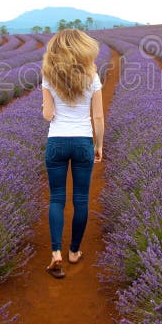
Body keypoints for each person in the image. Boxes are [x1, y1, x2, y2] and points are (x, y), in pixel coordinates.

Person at [40, 28, 104, 279]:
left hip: (56, 141)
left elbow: (48, 115)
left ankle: (55, 252)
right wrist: (98, 145)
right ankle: (74, 251)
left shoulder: (48, 75)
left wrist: (48, 107)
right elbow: (97, 117)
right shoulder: (92, 76)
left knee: (56, 198)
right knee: (81, 200)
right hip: (82, 142)